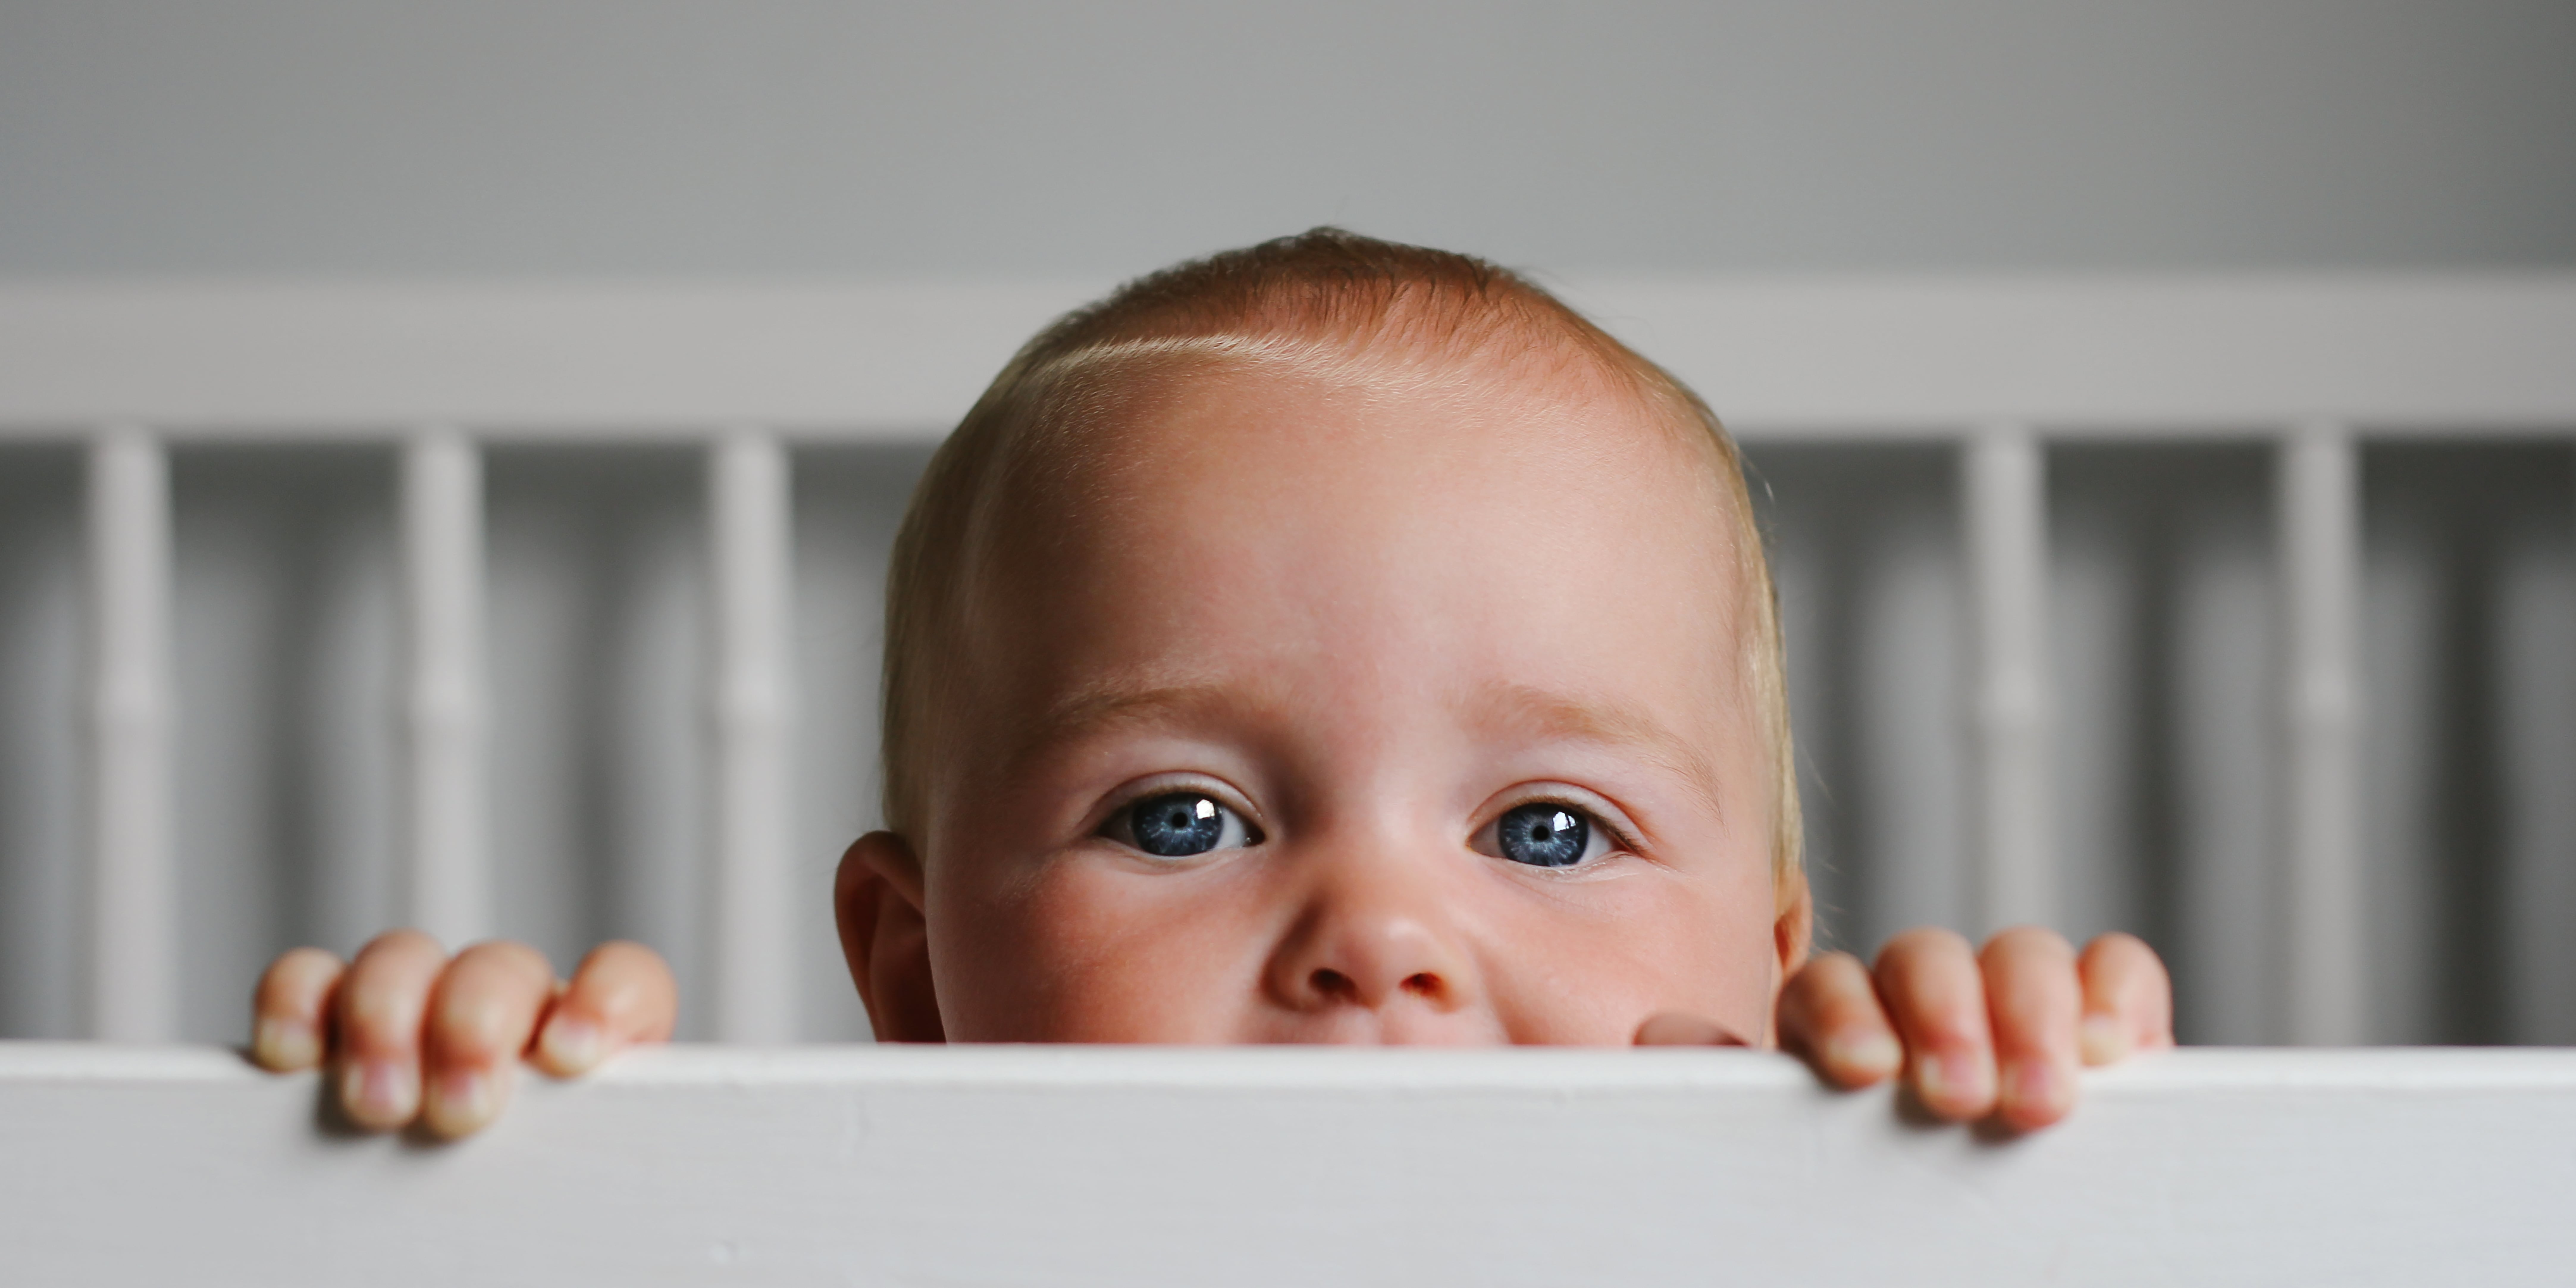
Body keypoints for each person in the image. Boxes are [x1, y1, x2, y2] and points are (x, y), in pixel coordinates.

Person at [250, 229, 2172, 1139]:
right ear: (913, 978)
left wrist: (2014, 1175)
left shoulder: (1816, 1237)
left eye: (1551, 828)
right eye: (1181, 818)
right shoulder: (815, 1252)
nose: (1378, 940)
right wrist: (466, 1173)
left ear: (1769, 966)